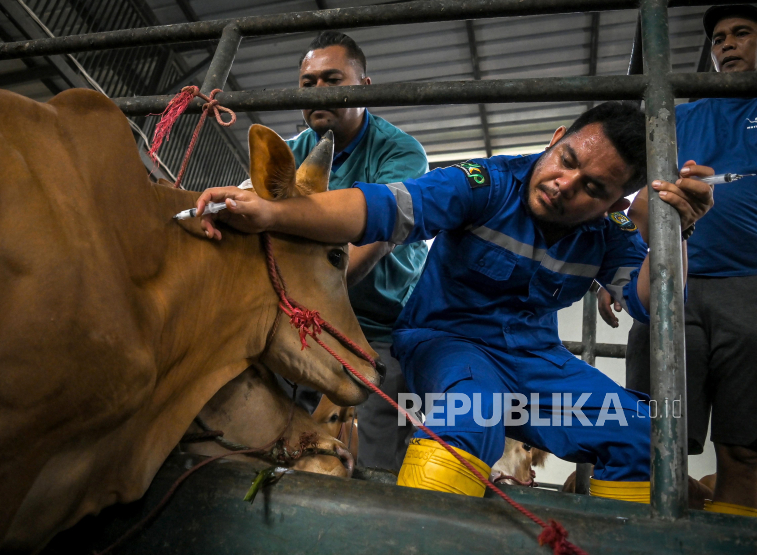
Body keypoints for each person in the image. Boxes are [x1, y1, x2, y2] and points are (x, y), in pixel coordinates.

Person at [195, 101, 714, 502]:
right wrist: (272, 214)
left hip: (535, 363)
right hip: (447, 342)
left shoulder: (613, 233)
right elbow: (383, 208)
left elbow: (649, 305)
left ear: (613, 203)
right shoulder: (486, 184)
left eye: (592, 187)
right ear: (555, 140)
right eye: (566, 161)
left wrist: (678, 231)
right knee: (473, 412)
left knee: (643, 433)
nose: (564, 184)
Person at [598, 4, 757, 517]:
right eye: (719, 38)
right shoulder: (676, 115)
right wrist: (614, 271)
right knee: (653, 439)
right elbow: (628, 190)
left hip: (750, 288)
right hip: (674, 281)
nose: (727, 44)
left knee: (745, 450)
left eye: (741, 33)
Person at [285, 31, 430, 472]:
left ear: (364, 86)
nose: (318, 92)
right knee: (272, 405)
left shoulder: (401, 152)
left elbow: (376, 237)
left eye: (333, 79)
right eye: (308, 83)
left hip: (383, 323)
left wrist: (306, 297)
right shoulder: (291, 152)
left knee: (379, 444)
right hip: (311, 313)